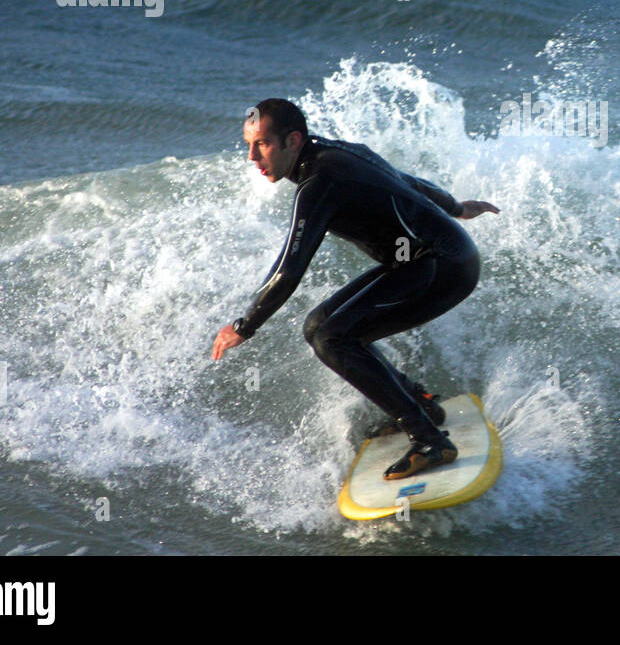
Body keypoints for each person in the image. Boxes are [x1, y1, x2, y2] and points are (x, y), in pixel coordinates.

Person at [212, 98, 499, 480]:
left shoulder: (319, 183)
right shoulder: (337, 152)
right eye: (248, 144)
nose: (251, 156)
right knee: (320, 327)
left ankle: (431, 441)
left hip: (441, 268)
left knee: (333, 337)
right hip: (432, 259)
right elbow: (406, 181)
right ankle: (421, 404)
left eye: (261, 144)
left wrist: (244, 325)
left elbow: (289, 268)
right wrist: (455, 208)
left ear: (293, 140)